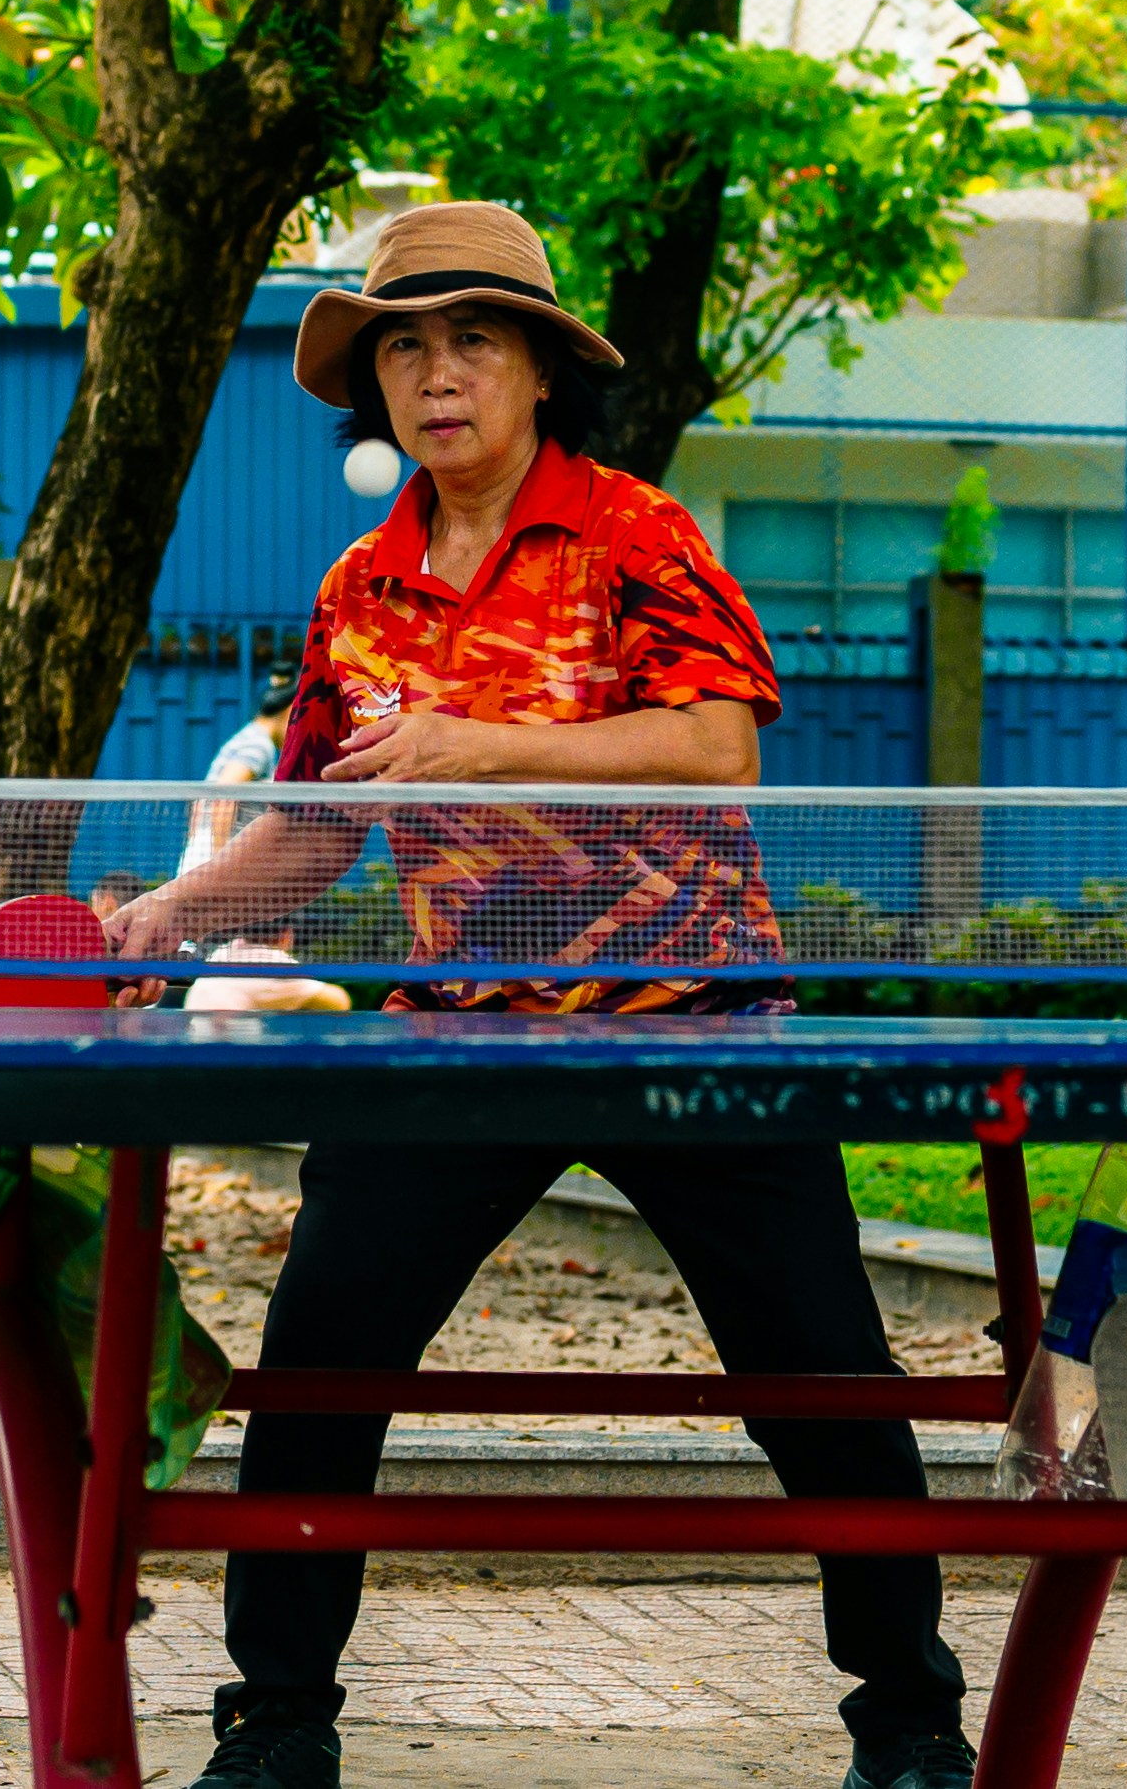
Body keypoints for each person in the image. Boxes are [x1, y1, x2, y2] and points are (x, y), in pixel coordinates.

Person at [105, 200, 975, 1789]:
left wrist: (474, 742)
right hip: (454, 1039)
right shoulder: (358, 590)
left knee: (829, 1393)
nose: (438, 374)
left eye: (473, 341)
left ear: (536, 371)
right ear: (376, 385)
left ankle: (913, 1726)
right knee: (318, 1376)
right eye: (407, 347)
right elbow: (314, 841)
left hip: (693, 1030)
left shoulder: (637, 534)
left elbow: (717, 748)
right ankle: (277, 1724)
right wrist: (159, 917)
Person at [180, 669, 297, 875]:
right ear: (290, 711)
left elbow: (200, 804)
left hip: (201, 852)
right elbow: (223, 795)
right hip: (214, 857)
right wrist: (220, 864)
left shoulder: (248, 737)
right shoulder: (258, 745)